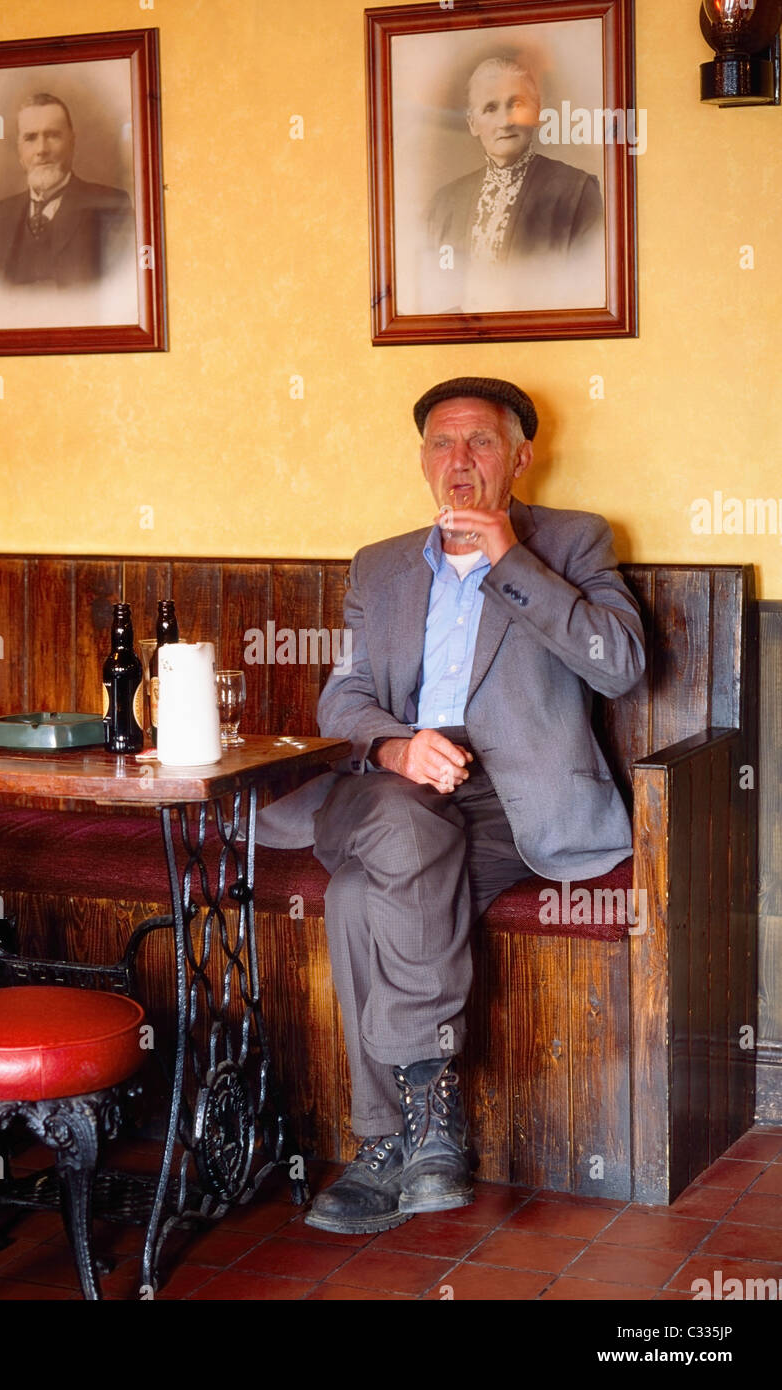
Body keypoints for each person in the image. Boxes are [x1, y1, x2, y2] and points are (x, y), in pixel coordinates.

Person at [256, 376, 645, 1234]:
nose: (457, 459)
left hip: (510, 806)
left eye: (478, 442)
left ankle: (386, 1142)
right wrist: (396, 746)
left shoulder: (571, 541)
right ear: (423, 459)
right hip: (388, 787)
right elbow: (344, 698)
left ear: (520, 457)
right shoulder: (381, 563)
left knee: (362, 895)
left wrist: (510, 559)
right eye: (440, 442)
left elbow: (616, 664)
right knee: (400, 815)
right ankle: (434, 1120)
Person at [424, 58, 604, 312]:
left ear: (536, 113)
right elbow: (430, 299)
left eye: (516, 105)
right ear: (472, 123)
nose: (505, 121)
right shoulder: (444, 203)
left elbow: (590, 296)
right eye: (490, 108)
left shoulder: (576, 192)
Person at [0, 93, 134, 287]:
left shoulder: (111, 206)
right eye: (30, 138)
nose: (41, 149)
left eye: (52, 135)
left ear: (72, 142)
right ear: (20, 151)